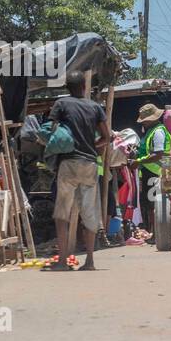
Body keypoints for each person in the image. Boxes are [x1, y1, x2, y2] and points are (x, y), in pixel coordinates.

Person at [45, 71, 110, 270]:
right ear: (84, 86)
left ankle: (63, 261)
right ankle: (89, 260)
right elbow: (107, 137)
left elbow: (51, 131)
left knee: (62, 215)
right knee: (89, 213)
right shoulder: (95, 107)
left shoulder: (61, 104)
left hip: (68, 163)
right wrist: (93, 145)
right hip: (90, 163)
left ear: (67, 87)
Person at [131, 103, 171, 235]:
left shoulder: (158, 131)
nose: (143, 123)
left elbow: (157, 154)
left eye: (145, 121)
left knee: (153, 205)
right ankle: (152, 232)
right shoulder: (150, 131)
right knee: (148, 204)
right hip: (148, 172)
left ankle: (156, 233)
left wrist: (138, 161)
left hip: (155, 172)